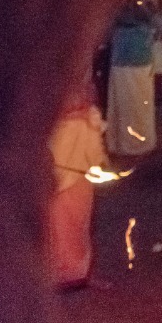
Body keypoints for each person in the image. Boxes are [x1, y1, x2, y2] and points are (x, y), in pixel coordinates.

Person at [47, 77, 108, 290]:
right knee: (58, 213)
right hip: (60, 141)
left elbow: (88, 92)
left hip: (80, 143)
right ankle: (58, 272)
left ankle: (79, 271)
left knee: (79, 215)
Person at [105, 0, 159, 157]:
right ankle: (125, 142)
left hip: (132, 63)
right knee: (128, 104)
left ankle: (130, 142)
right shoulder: (124, 10)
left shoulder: (140, 10)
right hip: (130, 62)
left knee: (131, 104)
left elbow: (158, 25)